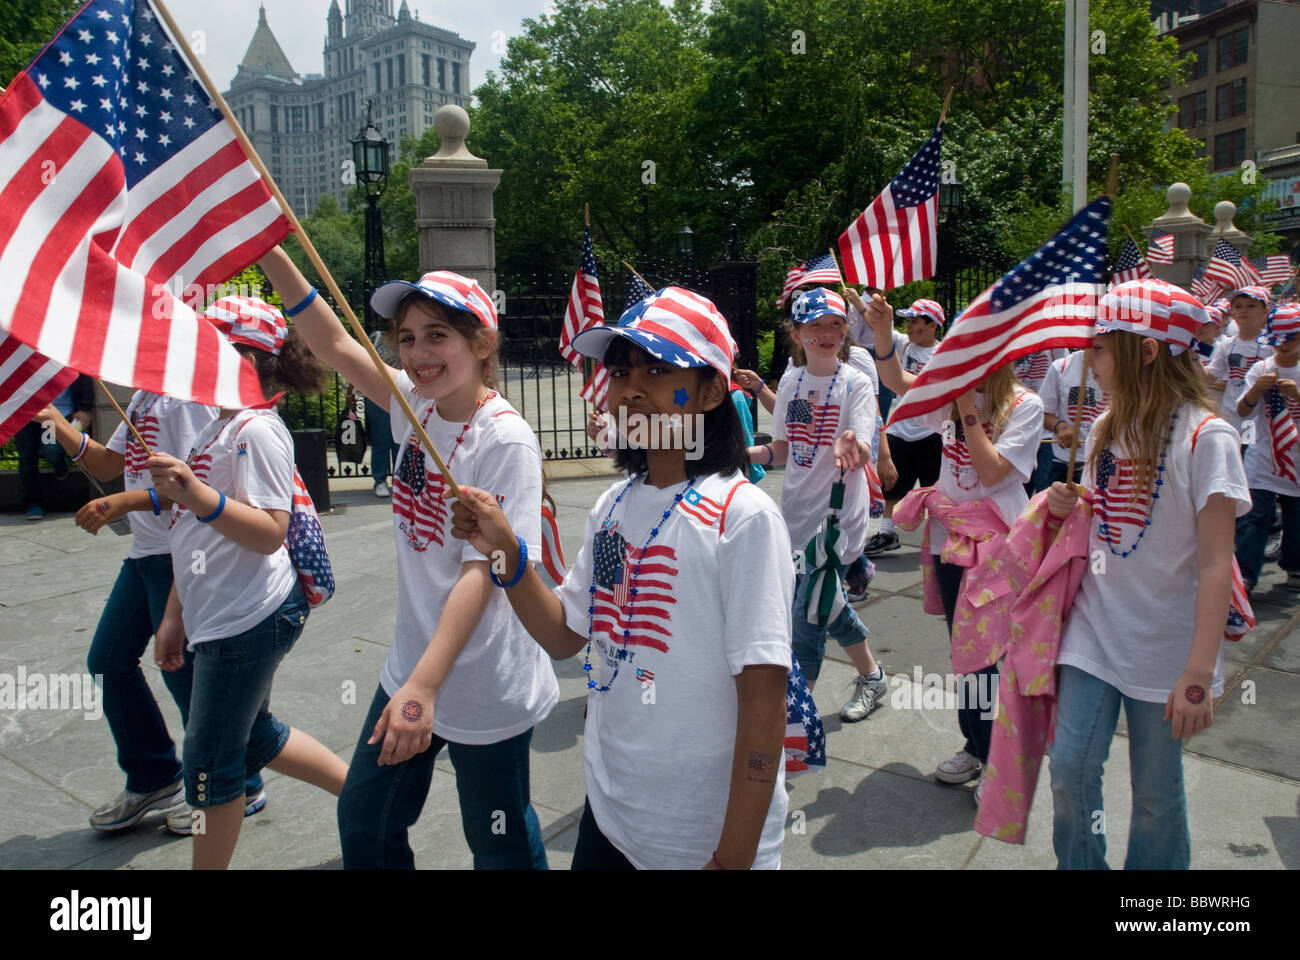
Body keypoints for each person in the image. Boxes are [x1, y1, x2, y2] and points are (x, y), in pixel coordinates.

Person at [449, 287, 793, 869]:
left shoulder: (741, 517)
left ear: (711, 390)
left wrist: (732, 859)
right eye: (620, 369)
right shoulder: (613, 506)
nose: (631, 388)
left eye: (659, 369)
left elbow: (764, 699)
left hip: (700, 838)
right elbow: (566, 634)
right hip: (610, 819)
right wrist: (506, 550)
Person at [258, 246, 557, 870]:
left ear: (481, 343)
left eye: (438, 335)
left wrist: (426, 685)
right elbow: (335, 344)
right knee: (366, 819)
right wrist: (269, 248)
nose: (419, 353)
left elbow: (487, 573)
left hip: (483, 680)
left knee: (498, 840)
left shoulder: (506, 440)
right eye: (407, 337)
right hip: (412, 663)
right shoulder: (414, 406)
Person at [1042, 279, 1248, 870]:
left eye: (1102, 348)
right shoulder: (1105, 427)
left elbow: (1215, 564)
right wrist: (1069, 504)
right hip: (1093, 630)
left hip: (1168, 648)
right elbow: (1101, 518)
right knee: (1070, 766)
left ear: (1147, 351)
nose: (1090, 361)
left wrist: (1198, 673)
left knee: (1156, 796)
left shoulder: (1210, 440)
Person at [146, 296, 349, 869]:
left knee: (209, 764)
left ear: (250, 361)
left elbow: (267, 532)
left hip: (249, 619)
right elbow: (193, 539)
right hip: (221, 615)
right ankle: (364, 795)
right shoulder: (219, 426)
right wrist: (173, 617)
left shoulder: (256, 431)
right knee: (255, 737)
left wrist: (195, 493)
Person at [29, 390, 273, 833]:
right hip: (145, 555)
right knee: (107, 661)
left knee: (184, 674)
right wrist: (55, 421)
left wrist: (121, 502)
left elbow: (196, 489)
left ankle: (240, 782)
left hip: (176, 555)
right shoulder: (143, 397)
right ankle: (155, 776)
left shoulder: (189, 400)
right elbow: (107, 464)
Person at [861, 291, 1043, 801]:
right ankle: (977, 744)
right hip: (949, 542)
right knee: (965, 649)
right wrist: (881, 332)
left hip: (998, 547)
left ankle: (997, 757)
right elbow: (898, 382)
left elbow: (990, 473)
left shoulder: (1025, 407)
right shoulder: (947, 391)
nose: (967, 358)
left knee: (989, 655)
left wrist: (965, 409)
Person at [754, 287, 888, 723]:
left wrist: (853, 445)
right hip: (794, 515)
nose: (828, 333)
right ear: (796, 334)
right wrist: (746, 455)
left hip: (837, 522)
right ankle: (873, 675)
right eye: (815, 325)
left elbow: (862, 445)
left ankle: (795, 712)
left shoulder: (856, 383)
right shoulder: (791, 382)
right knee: (827, 602)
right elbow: (781, 449)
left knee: (806, 617)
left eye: (836, 324)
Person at [864, 299, 944, 556]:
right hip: (900, 429)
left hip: (931, 432)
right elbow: (882, 330)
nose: (909, 326)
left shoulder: (942, 356)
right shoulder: (903, 344)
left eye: (916, 321)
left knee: (935, 487)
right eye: (907, 321)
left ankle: (940, 534)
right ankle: (887, 532)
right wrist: (859, 301)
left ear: (933, 325)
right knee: (892, 485)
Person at [1234, 302, 1300, 594]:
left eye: (1292, 338)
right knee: (1254, 518)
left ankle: (1295, 566)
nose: (1284, 345)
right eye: (1279, 338)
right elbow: (1242, 410)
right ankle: (1246, 574)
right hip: (1262, 459)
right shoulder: (1262, 368)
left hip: (1296, 462)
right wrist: (1255, 389)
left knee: (1296, 519)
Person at [15, 374, 93, 520]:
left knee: (51, 449)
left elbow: (83, 376)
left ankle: (59, 463)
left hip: (55, 414)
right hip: (25, 413)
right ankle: (33, 503)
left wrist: (83, 407)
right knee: (26, 458)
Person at [1206, 286, 1272, 436]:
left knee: (1251, 456)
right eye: (1238, 306)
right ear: (1232, 312)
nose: (1244, 310)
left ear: (1265, 311)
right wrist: (1192, 355)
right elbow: (1209, 377)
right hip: (1230, 416)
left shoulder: (1271, 344)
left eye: (1251, 306)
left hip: (1259, 418)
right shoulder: (1227, 344)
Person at [1040, 349, 1110, 486]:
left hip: (1104, 463)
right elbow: (1042, 413)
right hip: (1065, 464)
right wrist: (1061, 426)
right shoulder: (1062, 367)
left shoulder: (1121, 370)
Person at [1012, 349, 1069, 493]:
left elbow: (1066, 376)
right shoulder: (1011, 341)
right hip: (1016, 427)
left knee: (1046, 488)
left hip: (1048, 430)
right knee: (1018, 485)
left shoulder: (1056, 345)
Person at [367, 329, 400, 497]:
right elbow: (363, 364)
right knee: (381, 439)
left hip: (402, 393)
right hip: (377, 393)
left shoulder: (407, 338)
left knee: (400, 440)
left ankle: (399, 480)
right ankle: (379, 480)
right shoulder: (377, 337)